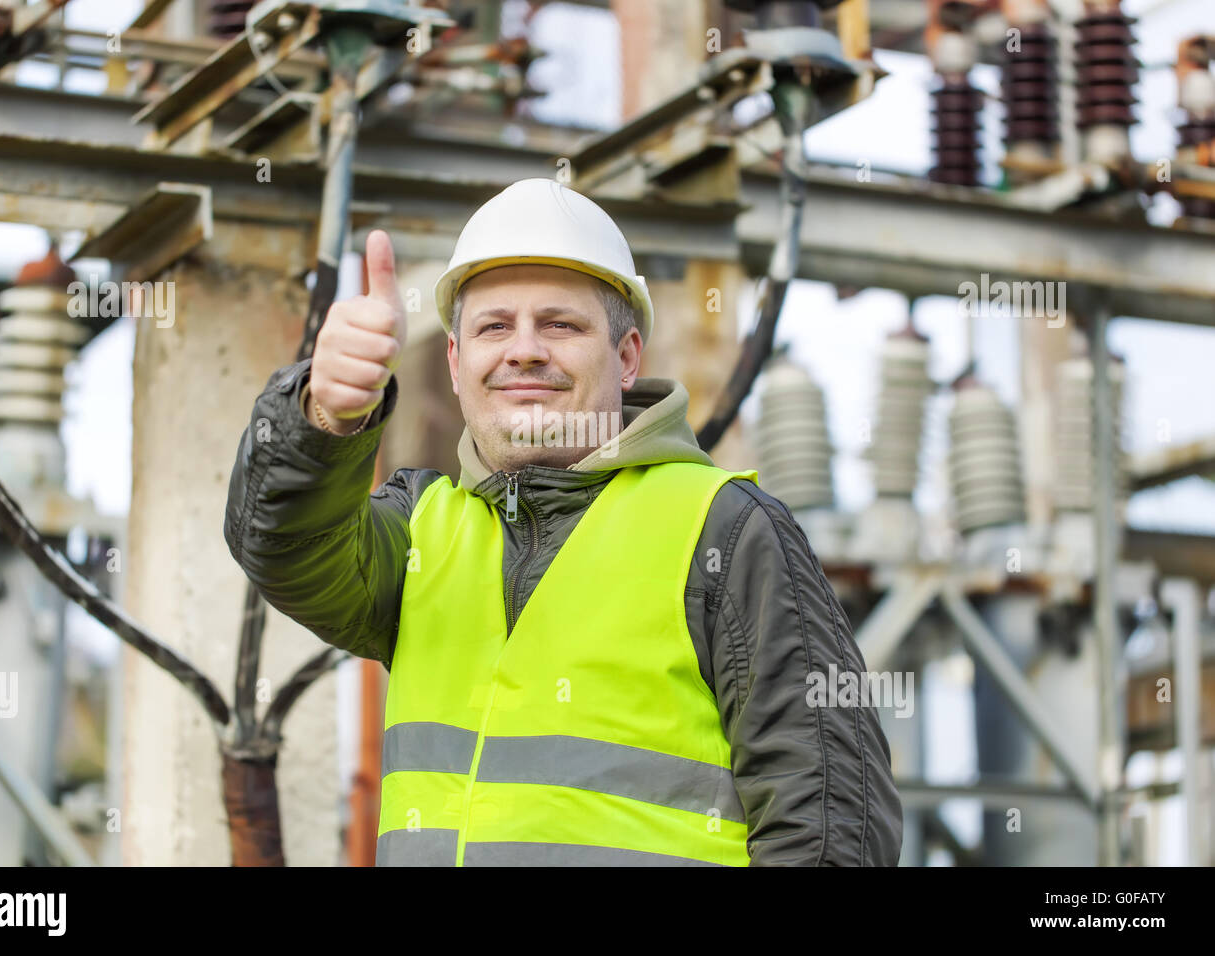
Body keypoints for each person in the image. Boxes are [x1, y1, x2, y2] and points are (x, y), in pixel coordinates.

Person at [224, 178, 902, 866]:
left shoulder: (726, 530)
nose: (524, 351)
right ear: (456, 364)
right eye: (494, 326)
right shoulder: (419, 532)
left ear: (628, 356)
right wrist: (320, 417)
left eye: (561, 324)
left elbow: (829, 825)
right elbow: (279, 546)